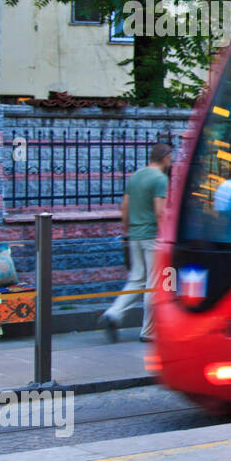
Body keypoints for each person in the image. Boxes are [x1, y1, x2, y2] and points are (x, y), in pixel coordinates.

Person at [99, 142, 172, 343]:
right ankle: (149, 331)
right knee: (153, 282)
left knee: (136, 279)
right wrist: (165, 234)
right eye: (171, 157)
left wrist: (127, 231)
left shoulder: (136, 176)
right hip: (152, 236)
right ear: (165, 157)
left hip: (135, 235)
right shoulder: (160, 179)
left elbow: (124, 207)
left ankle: (113, 314)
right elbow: (160, 211)